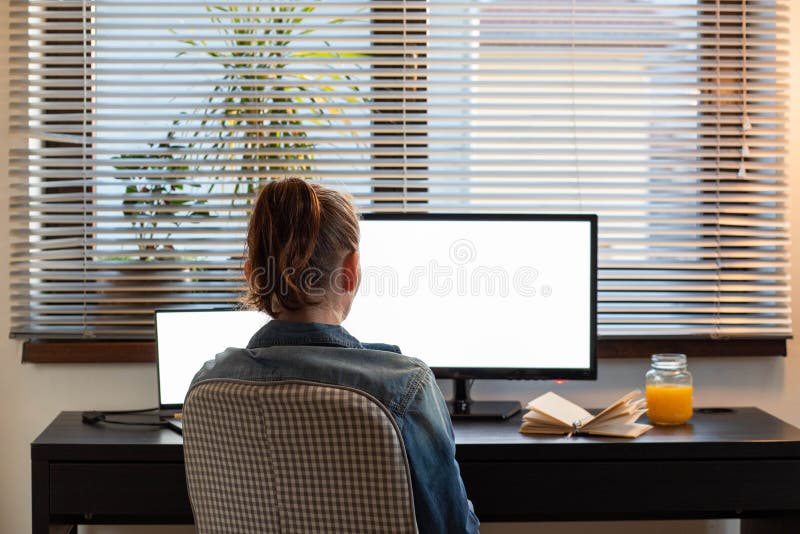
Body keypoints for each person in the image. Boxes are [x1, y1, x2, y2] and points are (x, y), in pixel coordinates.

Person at [190, 177, 480, 533]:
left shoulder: (208, 383)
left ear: (252, 275)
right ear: (350, 271)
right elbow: (452, 527)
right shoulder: (403, 387)